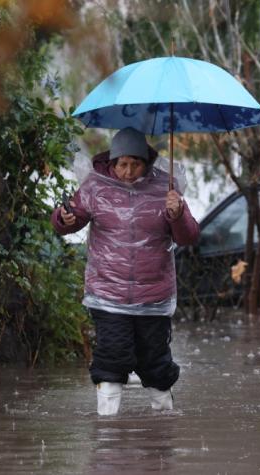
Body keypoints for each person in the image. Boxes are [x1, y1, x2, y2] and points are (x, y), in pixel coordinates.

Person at [51, 127, 199, 415]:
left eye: (136, 164)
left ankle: (163, 428)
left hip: (153, 296)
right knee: (111, 359)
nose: (129, 171)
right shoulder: (95, 187)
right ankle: (107, 434)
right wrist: (63, 217)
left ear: (146, 162)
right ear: (112, 162)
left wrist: (177, 213)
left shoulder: (165, 189)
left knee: (156, 363)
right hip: (108, 294)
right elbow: (69, 219)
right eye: (122, 164)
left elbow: (188, 237)